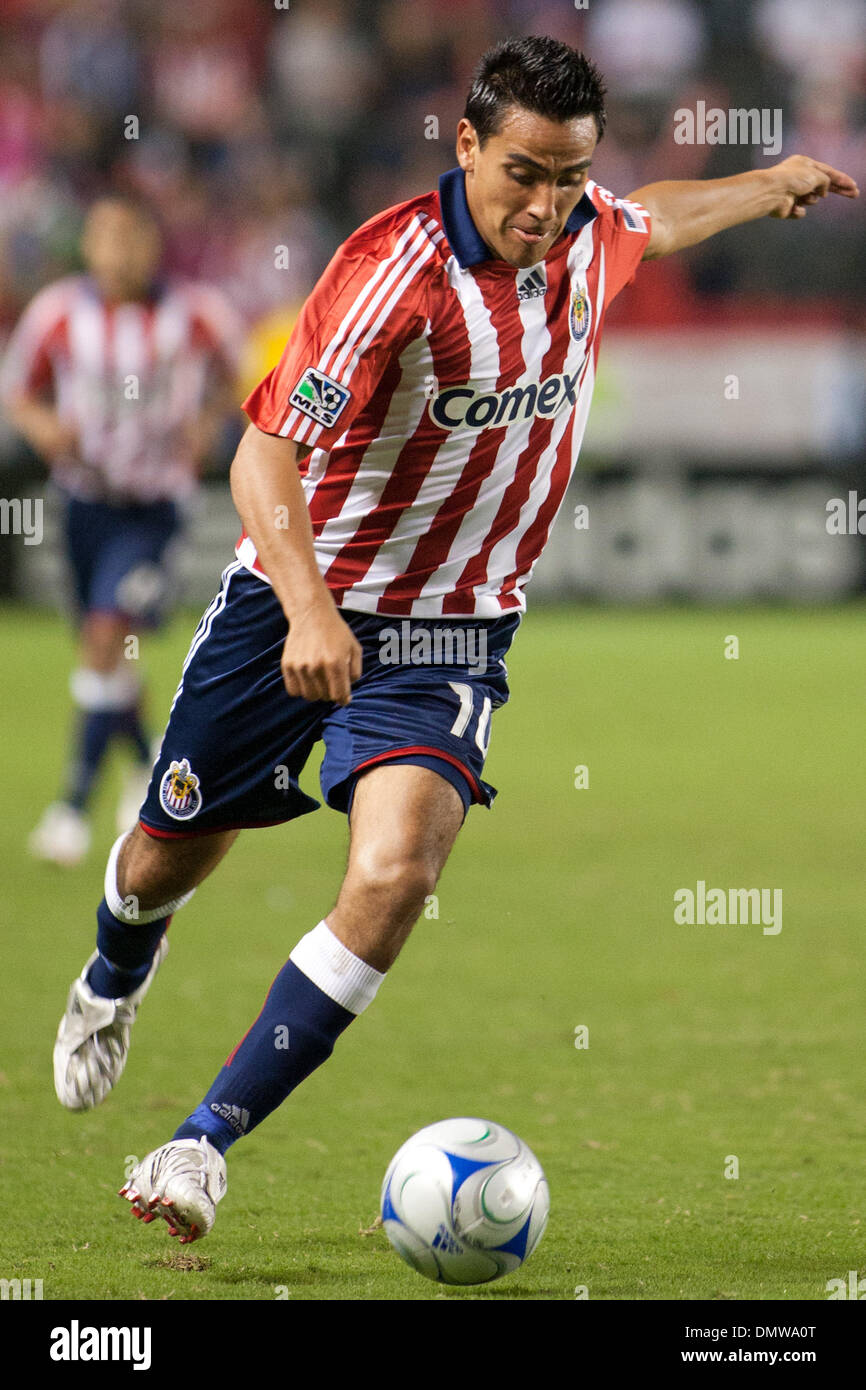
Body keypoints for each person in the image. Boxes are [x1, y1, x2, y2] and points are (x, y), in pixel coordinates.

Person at [51, 36, 857, 1243]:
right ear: (466, 143)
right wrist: (315, 610)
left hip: (452, 634)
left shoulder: (585, 227)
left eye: (569, 177)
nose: (545, 206)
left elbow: (653, 218)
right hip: (297, 601)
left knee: (395, 874)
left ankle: (200, 1141)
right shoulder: (392, 275)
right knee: (167, 854)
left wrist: (766, 182)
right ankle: (116, 965)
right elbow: (262, 452)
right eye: (522, 173)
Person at [1, 194, 242, 866]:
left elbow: (242, 377)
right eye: (107, 237)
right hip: (85, 505)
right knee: (103, 648)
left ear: (152, 244)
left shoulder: (195, 313)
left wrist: (208, 424)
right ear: (89, 246)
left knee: (108, 634)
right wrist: (45, 426)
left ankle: (71, 808)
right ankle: (146, 761)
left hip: (153, 509)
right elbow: (21, 390)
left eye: (132, 238)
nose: (120, 252)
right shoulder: (57, 314)